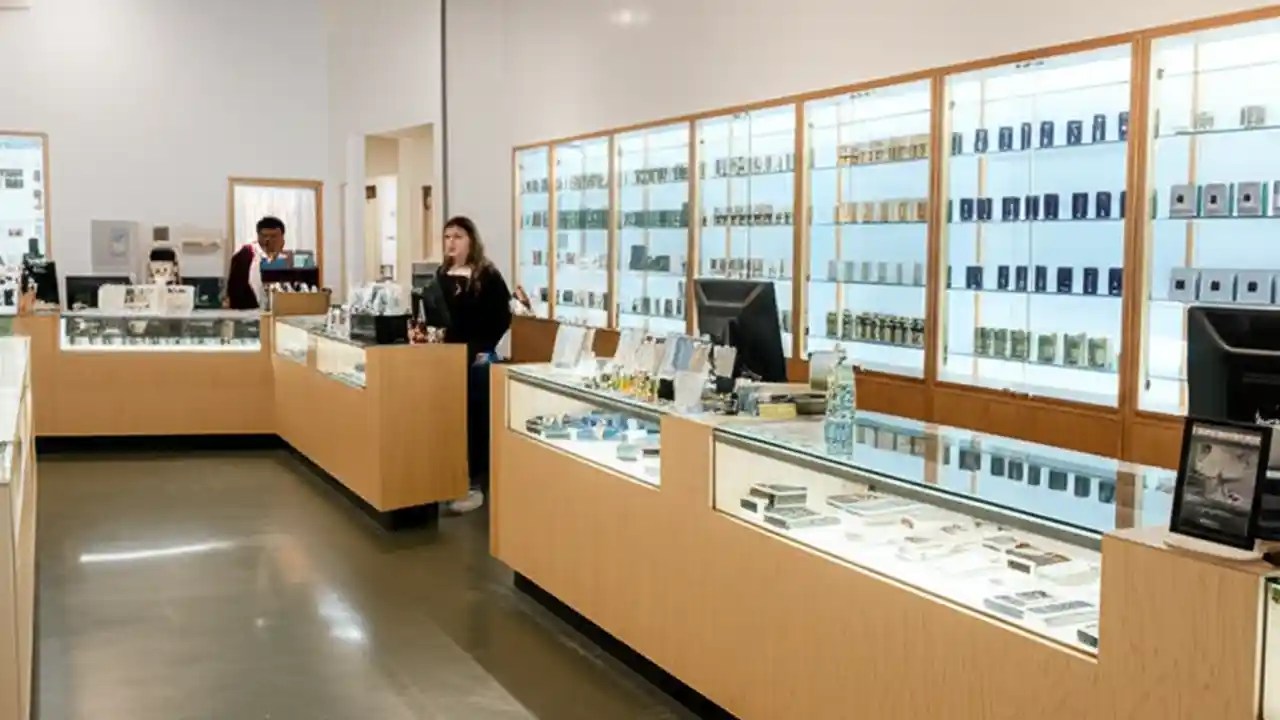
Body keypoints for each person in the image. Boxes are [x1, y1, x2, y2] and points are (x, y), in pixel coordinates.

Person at [437, 216, 512, 514]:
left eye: (458, 236)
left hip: (477, 358)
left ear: (471, 240)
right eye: (447, 237)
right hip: (447, 357)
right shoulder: (442, 274)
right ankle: (450, 479)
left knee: (475, 421)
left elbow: (502, 317)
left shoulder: (487, 275)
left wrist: (485, 348)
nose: (451, 242)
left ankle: (476, 485)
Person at [225, 216, 286, 310]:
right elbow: (235, 289)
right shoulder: (246, 253)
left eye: (273, 236)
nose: (268, 240)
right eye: (264, 236)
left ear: (282, 237)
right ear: (258, 236)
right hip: (248, 310)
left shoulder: (283, 257)